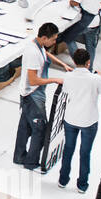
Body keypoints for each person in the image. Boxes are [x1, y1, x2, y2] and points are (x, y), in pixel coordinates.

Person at [13, 22, 72, 171]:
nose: (54, 42)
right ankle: (31, 162)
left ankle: (19, 156)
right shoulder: (33, 53)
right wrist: (55, 79)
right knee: (40, 129)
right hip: (33, 95)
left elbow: (45, 53)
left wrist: (62, 64)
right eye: (52, 40)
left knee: (25, 127)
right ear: (44, 38)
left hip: (29, 94)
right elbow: (33, 80)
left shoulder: (36, 44)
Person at [57, 50, 101, 194]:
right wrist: (100, 78)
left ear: (74, 62)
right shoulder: (96, 79)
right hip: (89, 120)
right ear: (88, 63)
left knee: (68, 149)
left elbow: (67, 92)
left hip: (70, 118)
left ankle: (63, 180)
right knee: (85, 152)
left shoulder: (68, 77)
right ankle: (82, 184)